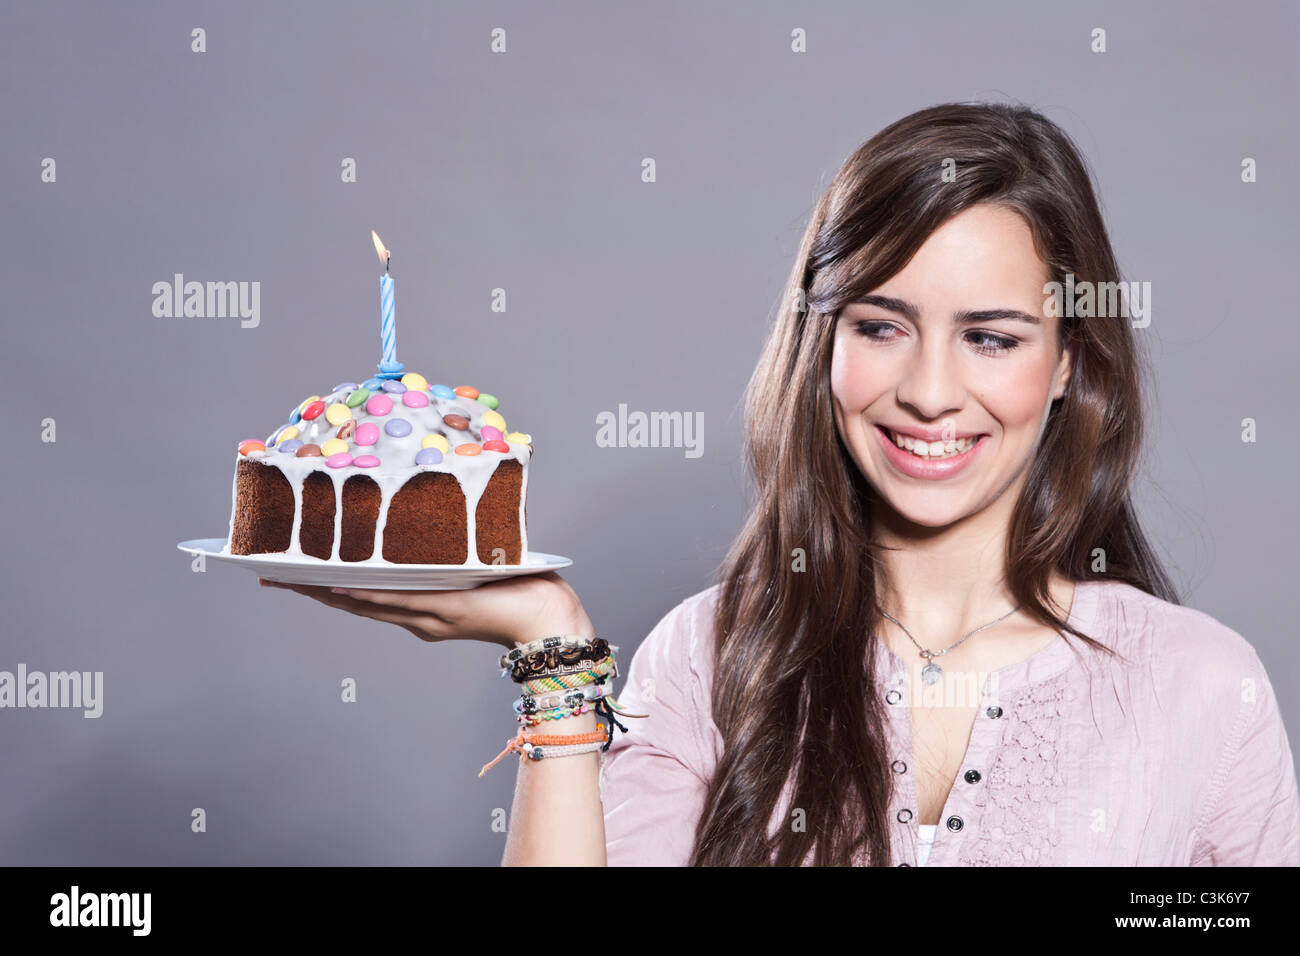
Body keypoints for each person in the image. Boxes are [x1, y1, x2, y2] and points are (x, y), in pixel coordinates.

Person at [261, 101, 1300, 866]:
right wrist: (550, 645)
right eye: (881, 326)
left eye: (990, 337)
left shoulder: (1204, 688)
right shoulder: (707, 656)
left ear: (1069, 359)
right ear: (823, 340)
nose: (929, 392)